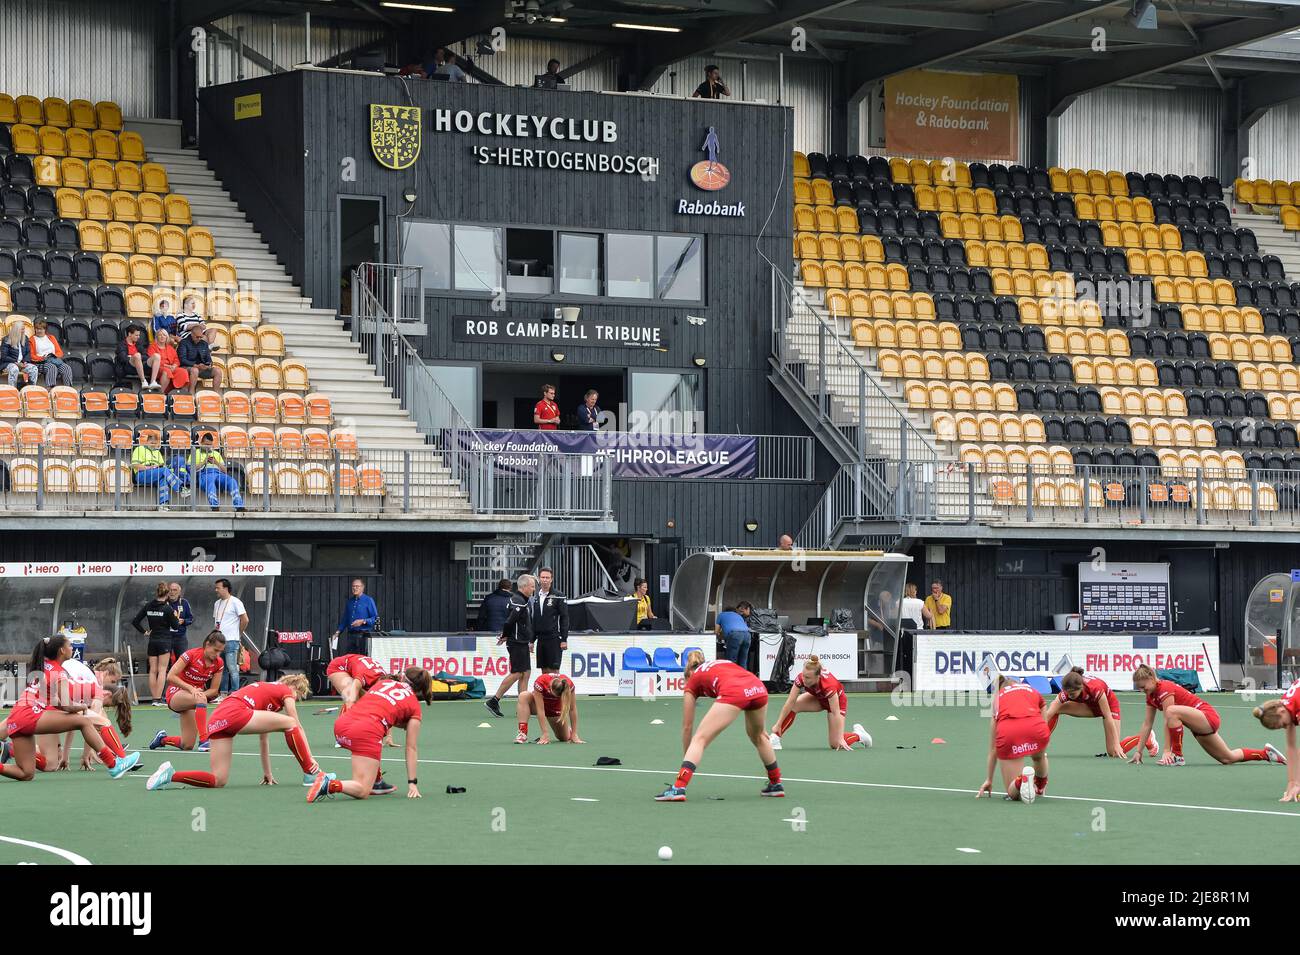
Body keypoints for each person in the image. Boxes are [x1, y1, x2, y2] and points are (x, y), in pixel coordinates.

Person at [0, 635, 141, 781]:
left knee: (26, 773)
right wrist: (82, 707)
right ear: (62, 650)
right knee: (83, 721)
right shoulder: (60, 672)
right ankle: (114, 764)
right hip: (29, 715)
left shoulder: (44, 664)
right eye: (69, 645)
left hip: (17, 716)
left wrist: (78, 708)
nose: (72, 648)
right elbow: (67, 705)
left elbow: (55, 702)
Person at [147, 675, 321, 790]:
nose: (295, 699)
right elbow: (295, 723)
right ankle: (309, 774)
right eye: (298, 695)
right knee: (290, 722)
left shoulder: (268, 694)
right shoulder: (284, 690)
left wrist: (268, 773)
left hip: (217, 718)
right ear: (294, 687)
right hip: (236, 712)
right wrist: (310, 757)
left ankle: (170, 775)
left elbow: (263, 739)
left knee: (218, 780)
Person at [656, 652, 782, 801]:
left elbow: (687, 727)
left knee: (699, 739)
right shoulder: (720, 663)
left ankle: (678, 787)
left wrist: (688, 758)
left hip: (734, 691)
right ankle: (776, 784)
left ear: (688, 673)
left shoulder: (692, 680)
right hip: (758, 687)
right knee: (759, 736)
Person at [308, 668, 435, 801]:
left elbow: (380, 707)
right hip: (364, 733)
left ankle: (371, 779)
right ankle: (329, 784)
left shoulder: (383, 683)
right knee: (363, 790)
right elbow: (411, 748)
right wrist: (412, 783)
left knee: (359, 780)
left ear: (403, 678)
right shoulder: (414, 706)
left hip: (342, 726)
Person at [1129, 664, 1284, 767]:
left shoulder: (1164, 688)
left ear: (1151, 678)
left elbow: (1168, 719)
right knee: (1227, 758)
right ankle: (1266, 754)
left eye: (1143, 686)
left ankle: (1177, 756)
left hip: (1206, 716)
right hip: (1198, 726)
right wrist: (1138, 751)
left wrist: (1167, 751)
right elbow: (1147, 724)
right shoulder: (1150, 696)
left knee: (1171, 712)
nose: (1142, 690)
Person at [1043, 666, 1157, 759]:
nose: (1070, 696)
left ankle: (1146, 738)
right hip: (1090, 706)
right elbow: (1049, 713)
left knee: (1113, 752)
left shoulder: (1095, 689)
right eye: (1068, 694)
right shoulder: (1068, 690)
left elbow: (1107, 717)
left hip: (1109, 707)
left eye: (1072, 694)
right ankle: (1041, 745)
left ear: (1081, 687)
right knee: (1057, 709)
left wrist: (1116, 744)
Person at [769, 655, 870, 752]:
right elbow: (790, 702)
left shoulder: (829, 686)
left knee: (835, 744)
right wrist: (778, 725)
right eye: (803, 675)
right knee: (795, 704)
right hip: (819, 698)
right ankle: (776, 738)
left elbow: (836, 713)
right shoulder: (801, 678)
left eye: (808, 677)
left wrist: (840, 737)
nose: (804, 679)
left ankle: (859, 735)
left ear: (818, 677)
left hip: (836, 703)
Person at [148, 630, 225, 753]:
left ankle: (162, 739)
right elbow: (171, 676)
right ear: (207, 645)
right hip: (176, 693)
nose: (218, 654)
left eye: (221, 651)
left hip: (193, 699)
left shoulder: (219, 663)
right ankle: (204, 740)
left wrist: (201, 695)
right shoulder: (191, 655)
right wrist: (191, 689)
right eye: (216, 650)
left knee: (187, 745)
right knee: (200, 699)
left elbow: (214, 690)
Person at [977, 674, 1050, 802]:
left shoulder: (997, 699)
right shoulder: (1030, 689)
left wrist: (989, 779)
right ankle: (1040, 786)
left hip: (1010, 732)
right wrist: (1043, 732)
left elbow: (993, 749)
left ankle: (1022, 779)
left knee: (1013, 793)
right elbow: (1043, 706)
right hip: (1037, 728)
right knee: (1039, 757)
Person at [484, 574, 535, 718]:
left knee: (526, 673)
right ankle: (494, 700)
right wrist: (505, 635)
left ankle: (522, 705)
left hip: (522, 641)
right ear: (524, 587)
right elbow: (509, 622)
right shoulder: (519, 601)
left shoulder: (521, 600)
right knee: (518, 673)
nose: (533, 589)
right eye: (532, 586)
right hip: (517, 642)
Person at [1252, 681, 1300, 801]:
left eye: (1283, 724)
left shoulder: (1296, 706)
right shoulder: (1285, 706)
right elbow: (1291, 747)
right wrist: (1291, 782)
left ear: (1281, 712)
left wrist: (1298, 784)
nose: (1285, 727)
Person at [134, 582, 181, 703]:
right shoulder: (168, 608)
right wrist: (175, 616)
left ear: (157, 592)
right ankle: (158, 698)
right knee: (162, 670)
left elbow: (135, 621)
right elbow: (175, 626)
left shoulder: (149, 606)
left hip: (152, 640)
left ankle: (154, 698)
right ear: (167, 594)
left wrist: (144, 632)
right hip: (164, 641)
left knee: (153, 670)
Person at [515, 673, 583, 744]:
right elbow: (540, 710)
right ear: (550, 686)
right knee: (523, 696)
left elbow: (572, 709)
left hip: (555, 710)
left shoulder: (569, 685)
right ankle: (522, 733)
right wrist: (545, 734)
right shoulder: (541, 681)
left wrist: (574, 734)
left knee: (564, 738)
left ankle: (569, 730)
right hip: (539, 705)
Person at [130, 430, 184, 510]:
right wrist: (148, 467)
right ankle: (181, 488)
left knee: (163, 479)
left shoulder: (157, 452)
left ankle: (163, 504)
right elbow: (134, 465)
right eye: (152, 443)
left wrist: (158, 466)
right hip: (142, 474)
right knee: (164, 471)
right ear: (147, 441)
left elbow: (162, 466)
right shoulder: (139, 449)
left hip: (155, 474)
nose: (153, 445)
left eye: (155, 443)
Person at [213, 578, 248, 698]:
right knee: (222, 668)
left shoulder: (235, 602)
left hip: (231, 640)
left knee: (232, 668)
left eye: (218, 587)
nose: (216, 590)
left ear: (226, 588)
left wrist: (238, 633)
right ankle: (223, 694)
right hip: (218, 641)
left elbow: (245, 619)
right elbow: (217, 621)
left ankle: (235, 694)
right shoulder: (217, 603)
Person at [194, 432, 245, 511]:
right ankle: (215, 506)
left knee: (232, 481)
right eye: (206, 444)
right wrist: (204, 462)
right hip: (204, 474)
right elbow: (192, 469)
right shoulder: (195, 452)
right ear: (201, 443)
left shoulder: (216, 454)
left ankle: (239, 506)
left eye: (210, 445)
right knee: (210, 482)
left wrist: (216, 463)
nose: (208, 447)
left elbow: (225, 470)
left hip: (218, 474)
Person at [532, 567, 568, 674]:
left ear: (551, 579)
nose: (545, 580)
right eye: (543, 577)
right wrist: (531, 640)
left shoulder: (559, 596)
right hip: (541, 638)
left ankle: (556, 690)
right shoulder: (536, 596)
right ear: (539, 579)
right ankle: (546, 691)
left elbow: (564, 617)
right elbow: (535, 619)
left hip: (554, 638)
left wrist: (564, 639)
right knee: (544, 670)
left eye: (547, 577)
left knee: (554, 669)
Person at [334, 578, 378, 656]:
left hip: (364, 636)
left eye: (357, 586)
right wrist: (338, 632)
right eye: (353, 586)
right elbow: (345, 619)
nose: (355, 588)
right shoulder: (350, 602)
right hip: (351, 636)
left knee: (362, 660)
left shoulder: (368, 600)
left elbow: (375, 618)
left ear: (362, 587)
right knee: (351, 659)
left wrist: (363, 621)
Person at [27, 318, 74, 387]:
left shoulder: (51, 337)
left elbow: (59, 352)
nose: (39, 331)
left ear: (45, 329)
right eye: (37, 329)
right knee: (51, 367)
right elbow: (31, 355)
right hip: (39, 363)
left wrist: (53, 355)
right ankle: (50, 388)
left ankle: (68, 388)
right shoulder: (32, 339)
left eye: (41, 329)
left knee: (66, 368)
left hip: (53, 360)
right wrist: (42, 358)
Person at [178, 322, 223, 393]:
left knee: (218, 371)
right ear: (192, 334)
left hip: (201, 368)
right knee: (194, 370)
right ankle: (191, 392)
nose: (199, 339)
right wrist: (196, 365)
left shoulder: (204, 343)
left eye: (200, 337)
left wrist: (208, 365)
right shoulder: (184, 343)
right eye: (197, 337)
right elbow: (182, 360)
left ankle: (216, 394)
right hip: (187, 367)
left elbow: (208, 358)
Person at [114, 324, 158, 390]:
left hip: (141, 365)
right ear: (129, 334)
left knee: (157, 356)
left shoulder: (138, 344)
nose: (138, 337)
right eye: (136, 335)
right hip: (128, 367)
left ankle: (153, 382)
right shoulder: (121, 344)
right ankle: (143, 381)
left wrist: (137, 357)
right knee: (137, 355)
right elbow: (123, 358)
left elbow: (146, 356)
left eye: (139, 335)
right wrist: (135, 357)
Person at [714, 601, 752, 667]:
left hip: (735, 635)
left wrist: (720, 635)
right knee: (743, 660)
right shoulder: (739, 616)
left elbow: (716, 632)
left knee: (731, 660)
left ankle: (731, 676)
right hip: (747, 635)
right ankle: (742, 676)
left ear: (725, 611)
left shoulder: (721, 615)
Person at [167, 582, 194, 665]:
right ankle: (165, 678)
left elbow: (191, 618)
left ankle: (179, 678)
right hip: (166, 637)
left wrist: (184, 621)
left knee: (181, 662)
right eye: (170, 590)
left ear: (179, 592)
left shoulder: (184, 603)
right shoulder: (164, 602)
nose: (172, 592)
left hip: (180, 637)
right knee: (165, 662)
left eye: (174, 590)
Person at [1, 323, 34, 388]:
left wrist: (25, 362)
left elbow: (28, 352)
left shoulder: (25, 338)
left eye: (24, 329)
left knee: (33, 369)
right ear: (16, 330)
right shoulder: (6, 339)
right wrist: (16, 363)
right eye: (21, 329)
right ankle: (13, 390)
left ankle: (30, 389)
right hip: (9, 364)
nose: (23, 331)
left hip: (21, 364)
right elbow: (4, 356)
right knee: (14, 368)